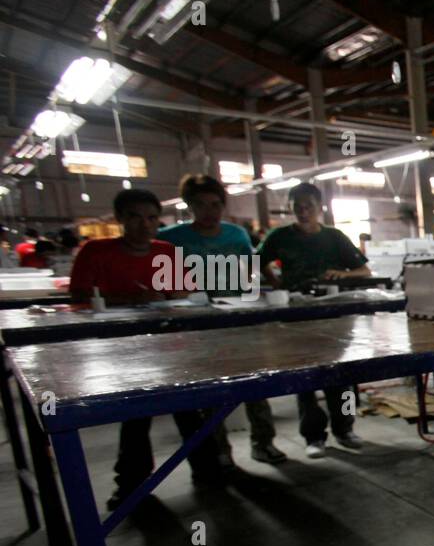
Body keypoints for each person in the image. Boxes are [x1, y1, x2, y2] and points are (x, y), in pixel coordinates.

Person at [69, 188, 224, 509]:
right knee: (137, 418)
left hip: (173, 347)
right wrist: (131, 300)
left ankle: (208, 471)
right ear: (120, 219)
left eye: (152, 218)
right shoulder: (96, 251)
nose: (145, 224)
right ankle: (131, 485)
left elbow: (188, 292)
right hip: (125, 352)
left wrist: (174, 296)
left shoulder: (166, 251)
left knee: (191, 411)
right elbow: (79, 297)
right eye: (135, 217)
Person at [159, 173, 287, 465]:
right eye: (201, 205)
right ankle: (219, 453)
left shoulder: (236, 235)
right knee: (210, 393)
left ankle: (263, 442)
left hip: (238, 321)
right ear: (189, 205)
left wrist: (276, 291)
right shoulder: (169, 239)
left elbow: (254, 270)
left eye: (216, 204)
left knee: (255, 385)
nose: (210, 212)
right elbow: (161, 283)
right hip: (196, 327)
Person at [257, 182, 371, 457]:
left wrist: (341, 275)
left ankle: (345, 428)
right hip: (298, 317)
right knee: (305, 380)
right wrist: (277, 283)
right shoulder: (280, 236)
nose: (303, 211)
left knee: (341, 377)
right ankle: (313, 436)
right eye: (297, 206)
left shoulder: (334, 237)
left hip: (335, 316)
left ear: (320, 207)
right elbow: (254, 262)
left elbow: (363, 271)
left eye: (308, 205)